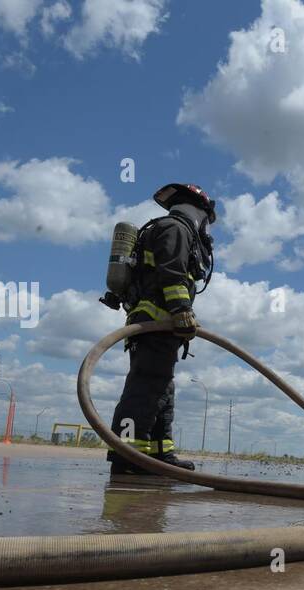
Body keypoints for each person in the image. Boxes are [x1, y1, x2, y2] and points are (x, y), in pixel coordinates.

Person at [107, 182, 215, 476]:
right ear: (201, 211)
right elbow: (172, 272)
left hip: (158, 325)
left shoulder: (168, 228)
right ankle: (127, 453)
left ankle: (158, 454)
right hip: (156, 322)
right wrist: (181, 310)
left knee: (161, 389)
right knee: (144, 389)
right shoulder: (176, 229)